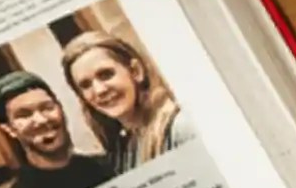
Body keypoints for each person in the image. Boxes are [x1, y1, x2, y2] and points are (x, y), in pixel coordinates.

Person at [0, 70, 113, 188]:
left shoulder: (108, 166)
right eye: (24, 115)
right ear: (9, 129)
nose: (41, 120)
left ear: (60, 109)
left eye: (47, 107)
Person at [60, 31, 197, 176]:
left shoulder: (180, 127)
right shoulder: (123, 148)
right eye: (86, 85)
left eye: (106, 74)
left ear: (136, 71)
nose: (99, 90)